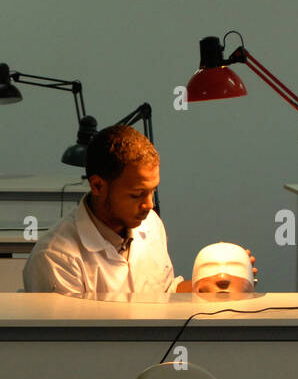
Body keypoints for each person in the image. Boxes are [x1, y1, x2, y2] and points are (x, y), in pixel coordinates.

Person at [23, 124, 256, 297]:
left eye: (153, 191)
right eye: (137, 194)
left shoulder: (150, 224)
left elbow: (162, 294)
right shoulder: (56, 259)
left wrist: (214, 281)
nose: (149, 205)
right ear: (98, 186)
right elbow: (67, 346)